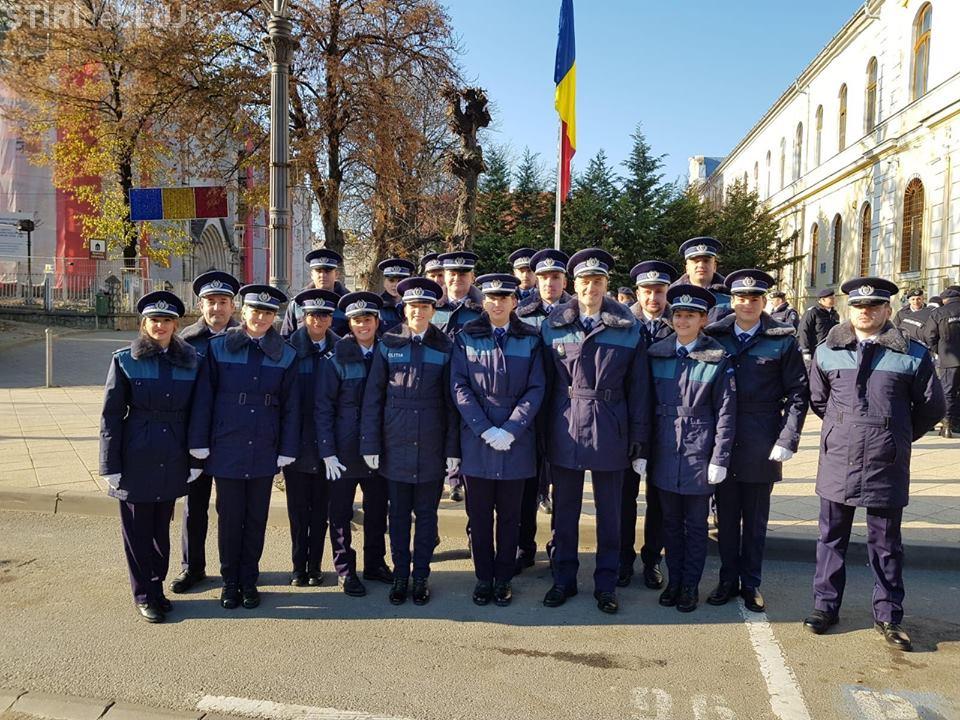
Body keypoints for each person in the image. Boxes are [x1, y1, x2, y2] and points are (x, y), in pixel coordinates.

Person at [804, 278, 944, 651]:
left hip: (887, 460)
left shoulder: (912, 354)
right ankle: (825, 607)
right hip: (839, 458)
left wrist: (897, 434)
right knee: (831, 537)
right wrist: (842, 430)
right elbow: (819, 401)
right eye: (859, 306)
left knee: (886, 543)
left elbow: (932, 407)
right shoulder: (827, 351)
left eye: (874, 306)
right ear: (849, 310)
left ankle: (888, 614)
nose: (866, 312)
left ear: (887, 310)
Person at [540, 249, 651, 614]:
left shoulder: (628, 328)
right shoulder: (553, 325)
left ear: (606, 285)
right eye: (585, 281)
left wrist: (638, 436)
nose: (591, 287)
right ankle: (564, 580)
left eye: (598, 281)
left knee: (610, 513)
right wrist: (542, 432)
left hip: (610, 426)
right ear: (575, 285)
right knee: (566, 512)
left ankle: (606, 583)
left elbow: (639, 388)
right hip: (566, 425)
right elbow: (544, 383)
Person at [188, 284, 301, 610]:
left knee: (256, 518)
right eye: (256, 310)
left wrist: (287, 447)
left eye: (268, 312)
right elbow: (204, 399)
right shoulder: (218, 347)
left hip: (265, 446)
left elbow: (292, 406)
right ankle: (230, 582)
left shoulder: (285, 353)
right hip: (227, 446)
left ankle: (249, 580)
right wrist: (199, 443)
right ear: (243, 311)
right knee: (230, 517)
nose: (262, 317)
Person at [704, 270, 809, 612]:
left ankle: (751, 583)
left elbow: (797, 393)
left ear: (764, 302)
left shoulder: (781, 340)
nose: (747, 303)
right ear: (731, 301)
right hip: (721, 438)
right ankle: (726, 579)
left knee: (755, 520)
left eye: (754, 298)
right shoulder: (715, 336)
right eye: (741, 298)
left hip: (762, 438)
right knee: (725, 518)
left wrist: (788, 437)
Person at [100, 291, 199, 623]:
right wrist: (110, 465)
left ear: (176, 324)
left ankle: (157, 588)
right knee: (137, 531)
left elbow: (197, 412)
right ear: (144, 324)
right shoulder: (125, 359)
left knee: (160, 530)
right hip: (136, 454)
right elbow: (111, 416)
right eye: (154, 320)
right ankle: (144, 594)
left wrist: (195, 458)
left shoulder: (191, 360)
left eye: (167, 320)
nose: (161, 325)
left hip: (173, 453)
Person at [360, 277, 459, 606]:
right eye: (413, 306)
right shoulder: (388, 342)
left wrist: (452, 451)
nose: (419, 311)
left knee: (427, 516)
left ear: (433, 310)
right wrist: (370, 444)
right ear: (404, 309)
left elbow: (451, 403)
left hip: (430, 442)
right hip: (395, 442)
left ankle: (421, 576)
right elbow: (374, 396)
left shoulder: (445, 345)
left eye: (425, 306)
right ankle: (401, 575)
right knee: (398, 516)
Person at [451, 273, 546, 606]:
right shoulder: (465, 338)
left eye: (504, 298)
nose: (497, 303)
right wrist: (485, 429)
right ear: (484, 302)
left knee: (509, 517)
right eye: (491, 298)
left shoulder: (531, 339)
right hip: (478, 441)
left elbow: (536, 389)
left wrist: (511, 429)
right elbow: (459, 387)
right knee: (478, 517)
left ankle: (503, 578)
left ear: (514, 302)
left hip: (515, 443)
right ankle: (483, 578)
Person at [647, 285, 737, 613]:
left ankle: (690, 585)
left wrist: (720, 457)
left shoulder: (717, 359)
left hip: (699, 449)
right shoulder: (657, 353)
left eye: (691, 316)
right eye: (678, 315)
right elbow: (645, 406)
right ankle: (673, 581)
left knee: (696, 525)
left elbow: (726, 412)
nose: (683, 320)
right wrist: (642, 450)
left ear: (703, 320)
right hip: (664, 448)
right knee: (670, 522)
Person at [171, 270, 240, 594]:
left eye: (223, 301)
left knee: (229, 508)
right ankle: (192, 567)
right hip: (195, 438)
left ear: (232, 305)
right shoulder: (185, 340)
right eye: (211, 301)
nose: (217, 308)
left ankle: (232, 569)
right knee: (194, 506)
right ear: (201, 305)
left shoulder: (243, 338)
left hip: (231, 439)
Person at [320, 291, 393, 597]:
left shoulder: (390, 352)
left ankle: (375, 562)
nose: (362, 325)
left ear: (377, 321)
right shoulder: (336, 358)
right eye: (356, 321)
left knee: (377, 510)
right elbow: (323, 407)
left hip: (379, 447)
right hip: (345, 448)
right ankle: (345, 570)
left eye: (367, 319)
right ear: (349, 324)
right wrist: (327, 451)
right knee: (340, 514)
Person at [619, 260, 678, 591]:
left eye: (659, 291)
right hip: (627, 423)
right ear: (637, 292)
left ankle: (652, 559)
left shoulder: (680, 322)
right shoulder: (622, 324)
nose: (653, 297)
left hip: (666, 425)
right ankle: (622, 559)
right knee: (624, 498)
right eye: (647, 291)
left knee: (658, 499)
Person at [515, 248, 572, 567]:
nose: (549, 282)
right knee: (527, 480)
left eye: (555, 277)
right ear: (535, 279)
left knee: (562, 483)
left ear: (565, 280)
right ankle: (524, 544)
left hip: (566, 408)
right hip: (529, 409)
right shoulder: (522, 312)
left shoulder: (576, 312)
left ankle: (558, 543)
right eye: (544, 277)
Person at [283, 289, 342, 587]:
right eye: (312, 315)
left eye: (324, 315)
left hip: (328, 445)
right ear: (303, 318)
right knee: (298, 511)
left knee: (321, 511)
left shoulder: (342, 349)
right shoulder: (289, 349)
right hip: (298, 442)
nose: (318, 320)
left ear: (331, 318)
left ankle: (315, 566)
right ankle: (297, 566)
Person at [432, 251, 483, 502]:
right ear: (444, 276)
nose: (457, 279)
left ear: (472, 276)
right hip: (436, 381)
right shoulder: (431, 306)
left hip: (472, 383)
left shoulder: (483, 309)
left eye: (463, 274)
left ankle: (462, 480)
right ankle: (448, 480)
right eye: (453, 274)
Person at [281, 249, 349, 337]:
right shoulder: (297, 304)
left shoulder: (347, 304)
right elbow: (286, 338)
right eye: (318, 271)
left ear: (336, 274)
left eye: (328, 271)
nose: (323, 275)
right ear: (312, 275)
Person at [923, 288, 960, 437]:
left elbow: (929, 335)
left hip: (948, 359)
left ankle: (947, 427)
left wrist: (939, 350)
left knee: (948, 392)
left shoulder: (938, 313)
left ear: (944, 300)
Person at [671, 237, 731, 322]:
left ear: (714, 267)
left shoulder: (731, 296)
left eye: (706, 261)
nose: (701, 265)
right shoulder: (672, 296)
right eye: (696, 261)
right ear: (687, 268)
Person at [798, 288, 840, 366]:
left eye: (834, 298)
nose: (834, 300)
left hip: (830, 351)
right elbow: (803, 331)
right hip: (815, 351)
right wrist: (806, 351)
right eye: (831, 298)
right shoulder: (813, 312)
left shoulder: (835, 314)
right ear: (823, 299)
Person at [377, 258, 415, 333]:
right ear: (384, 283)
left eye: (400, 281)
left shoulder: (415, 304)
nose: (395, 285)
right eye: (391, 280)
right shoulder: (378, 305)